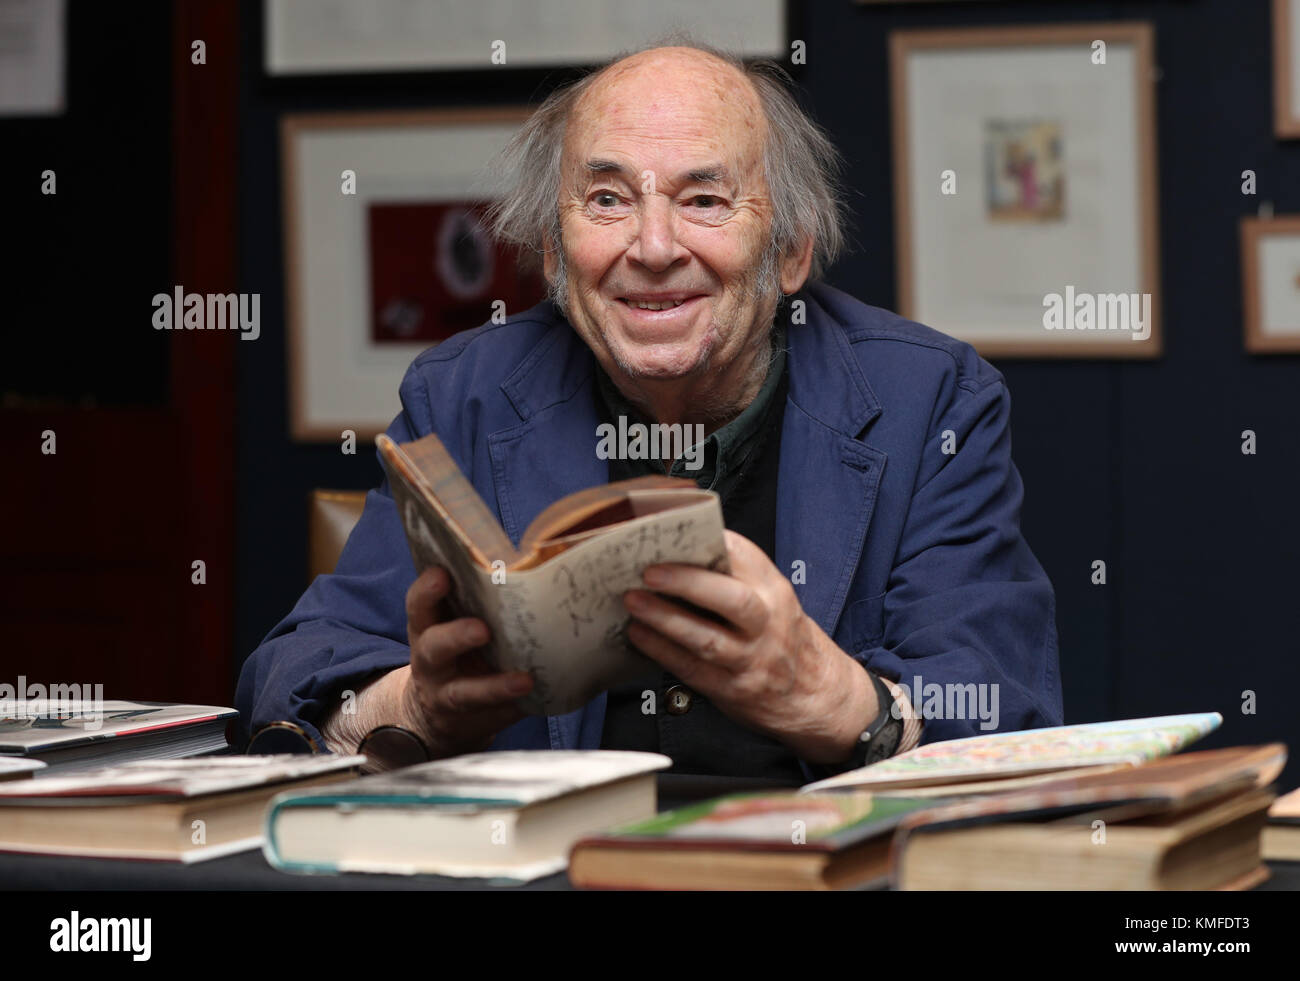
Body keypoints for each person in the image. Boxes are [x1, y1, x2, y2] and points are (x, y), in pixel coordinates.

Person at [236, 43, 1063, 781]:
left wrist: (839, 701)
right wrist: (420, 709)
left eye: (705, 199)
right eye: (606, 199)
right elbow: (294, 675)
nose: (655, 247)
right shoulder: (463, 396)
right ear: (555, 256)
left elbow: (1006, 713)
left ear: (792, 251)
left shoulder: (933, 401)